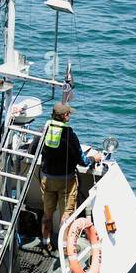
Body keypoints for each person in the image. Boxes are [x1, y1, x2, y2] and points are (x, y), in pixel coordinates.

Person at [39, 102, 102, 254]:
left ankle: (45, 243)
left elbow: (34, 148)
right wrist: (94, 158)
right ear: (65, 116)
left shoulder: (45, 130)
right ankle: (66, 248)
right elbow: (83, 161)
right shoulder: (70, 135)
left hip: (47, 179)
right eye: (69, 114)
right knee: (66, 216)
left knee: (47, 214)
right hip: (66, 181)